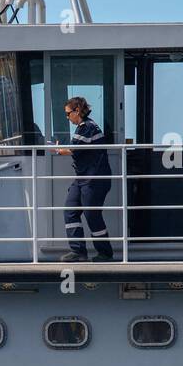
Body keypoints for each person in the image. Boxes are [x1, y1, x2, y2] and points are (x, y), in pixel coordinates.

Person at [55, 96, 114, 263]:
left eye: (68, 114)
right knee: (70, 210)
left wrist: (59, 150)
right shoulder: (83, 127)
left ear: (77, 111)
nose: (67, 117)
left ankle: (105, 253)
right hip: (82, 178)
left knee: (91, 214)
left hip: (95, 178)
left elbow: (73, 149)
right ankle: (78, 251)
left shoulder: (87, 127)